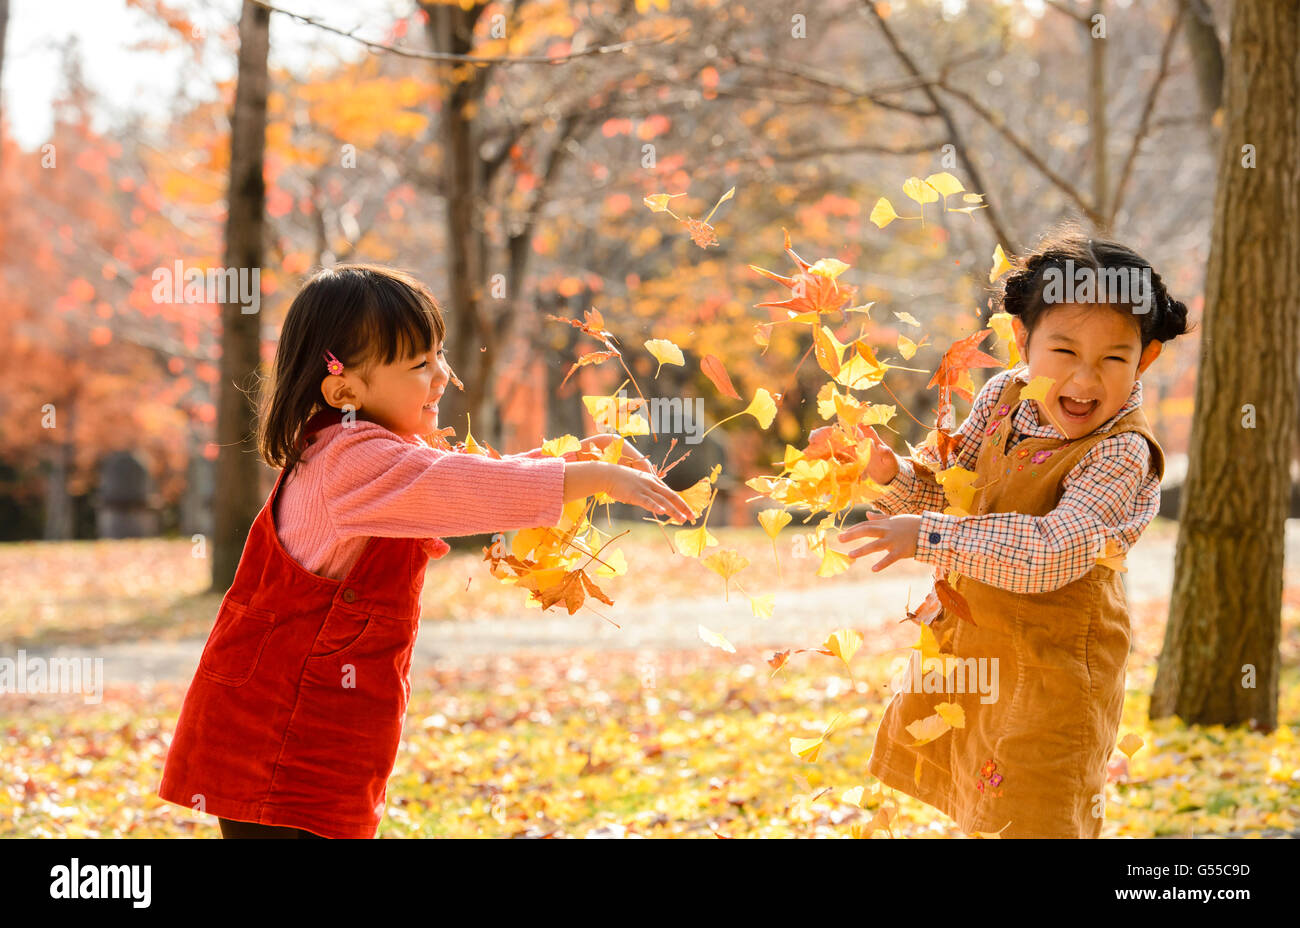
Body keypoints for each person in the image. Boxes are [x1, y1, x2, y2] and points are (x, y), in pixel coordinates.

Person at [157, 263, 693, 838]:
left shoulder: (357, 453)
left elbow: (454, 482)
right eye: (419, 364)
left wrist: (572, 464)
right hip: (280, 739)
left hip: (312, 730)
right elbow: (460, 487)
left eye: (439, 354)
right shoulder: (351, 461)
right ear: (344, 389)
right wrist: (591, 477)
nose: (442, 376)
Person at [837, 226, 1191, 837]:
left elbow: (1052, 552)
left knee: (1035, 818)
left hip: (1054, 682)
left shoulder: (1122, 453)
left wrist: (927, 536)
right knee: (983, 813)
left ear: (1146, 359)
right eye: (1064, 352)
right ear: (1023, 341)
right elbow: (951, 488)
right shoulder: (1003, 396)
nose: (1084, 382)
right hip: (979, 656)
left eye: (1113, 359)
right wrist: (890, 470)